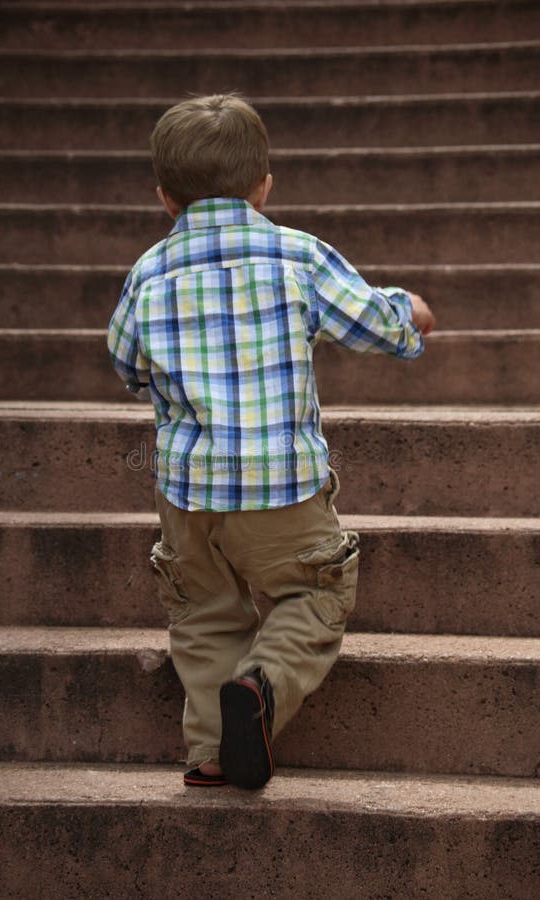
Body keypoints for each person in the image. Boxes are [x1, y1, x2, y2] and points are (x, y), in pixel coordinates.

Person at [107, 94, 435, 790]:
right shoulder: (296, 254)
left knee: (202, 614)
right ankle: (262, 684)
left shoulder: (147, 273)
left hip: (189, 497)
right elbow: (369, 321)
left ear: (165, 198)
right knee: (318, 591)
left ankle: (208, 750)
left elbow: (127, 365)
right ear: (264, 187)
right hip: (281, 489)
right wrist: (410, 316)